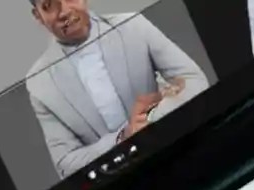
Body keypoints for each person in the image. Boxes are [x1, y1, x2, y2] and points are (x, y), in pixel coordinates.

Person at [26, 0, 210, 179]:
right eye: (48, 6)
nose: (64, 11)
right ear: (38, 16)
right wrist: (123, 137)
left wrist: (150, 118)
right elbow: (66, 165)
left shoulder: (132, 25)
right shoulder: (39, 82)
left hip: (175, 154)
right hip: (117, 185)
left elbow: (195, 81)